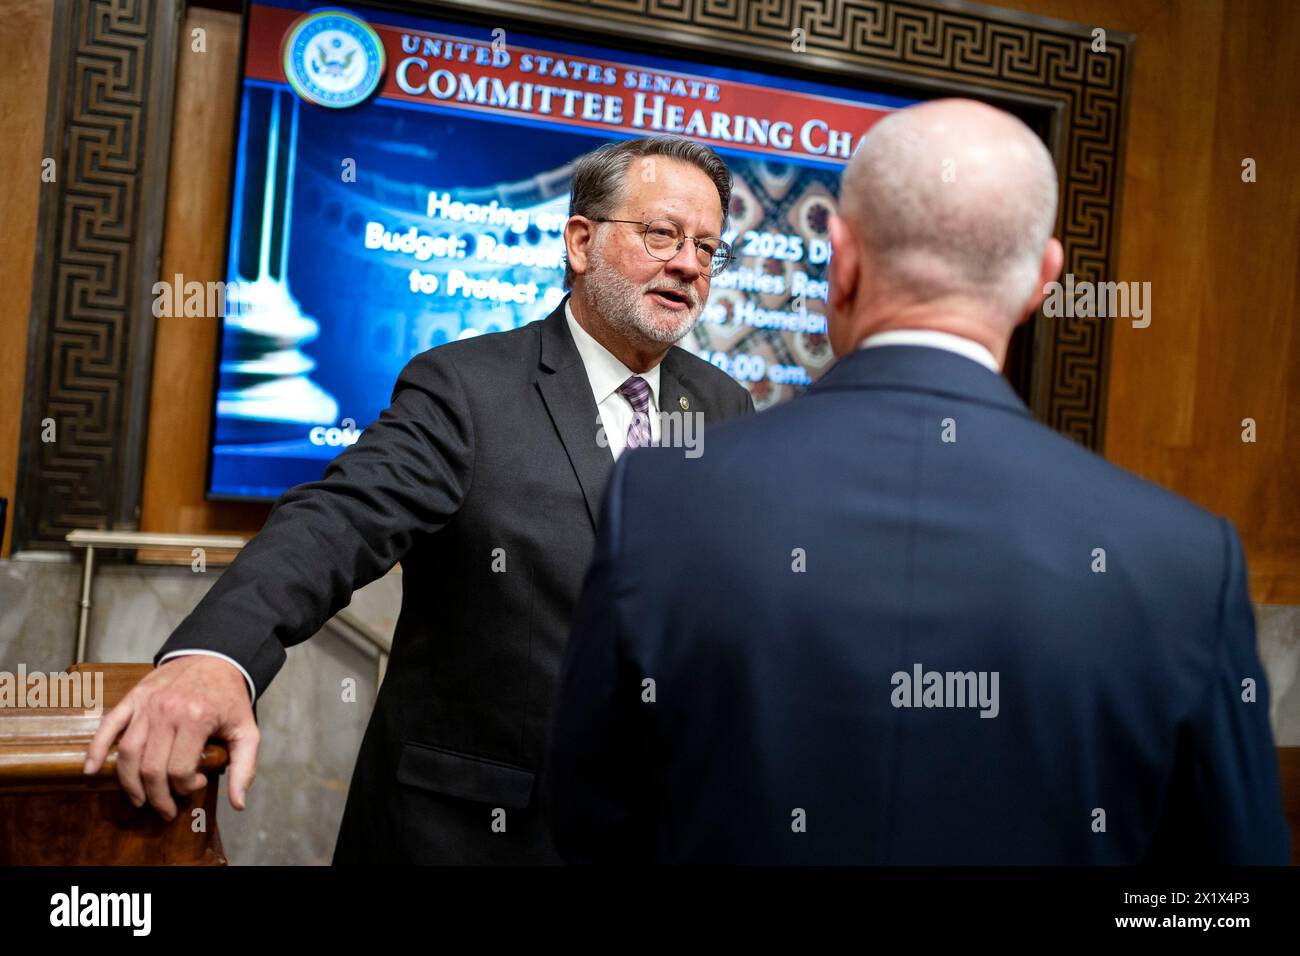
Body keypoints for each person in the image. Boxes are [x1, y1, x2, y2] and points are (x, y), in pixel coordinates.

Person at [546, 99, 1290, 864]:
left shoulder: (664, 501)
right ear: (1043, 280)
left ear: (842, 257)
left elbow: (588, 824)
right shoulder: (1187, 561)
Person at [83, 134, 754, 864]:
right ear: (581, 241)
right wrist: (217, 656)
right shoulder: (467, 390)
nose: (688, 264)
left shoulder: (722, 404)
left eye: (707, 248)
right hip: (469, 837)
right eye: (662, 234)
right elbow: (336, 519)